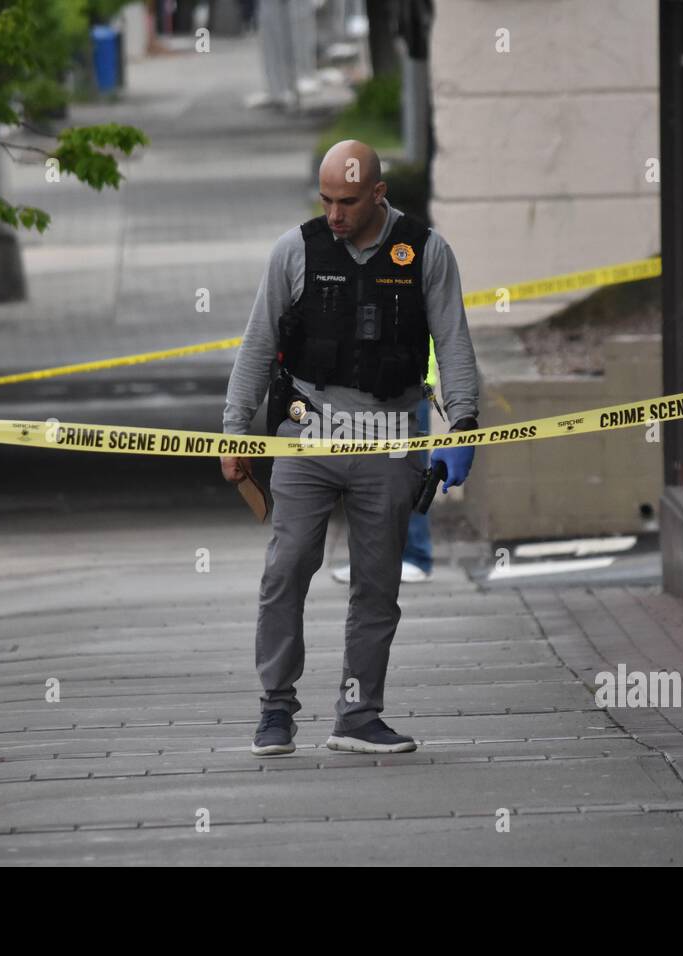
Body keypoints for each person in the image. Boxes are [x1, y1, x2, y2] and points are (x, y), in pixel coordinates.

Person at [220, 139, 480, 756]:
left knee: (376, 583)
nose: (335, 213)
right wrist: (233, 431)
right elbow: (256, 348)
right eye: (327, 199)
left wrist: (463, 429)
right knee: (287, 568)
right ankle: (276, 708)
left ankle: (358, 715)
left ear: (378, 194)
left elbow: (454, 344)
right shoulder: (296, 250)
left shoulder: (424, 252)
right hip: (306, 435)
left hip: (389, 439)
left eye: (348, 201)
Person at [331, 340, 439, 584]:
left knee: (410, 473)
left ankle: (416, 556)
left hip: (410, 382)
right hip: (365, 386)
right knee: (361, 476)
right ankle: (365, 560)